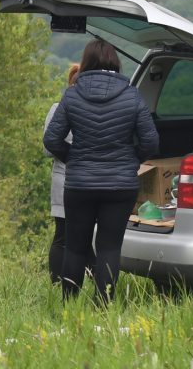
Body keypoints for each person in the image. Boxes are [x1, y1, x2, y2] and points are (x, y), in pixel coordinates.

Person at [44, 39, 158, 304]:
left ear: (86, 62)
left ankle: (69, 306)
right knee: (109, 248)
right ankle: (103, 307)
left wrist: (74, 159)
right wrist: (130, 161)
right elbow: (151, 142)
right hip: (120, 185)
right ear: (114, 63)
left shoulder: (72, 95)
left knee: (74, 246)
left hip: (79, 184)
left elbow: (51, 140)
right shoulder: (131, 95)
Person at [44, 63, 89, 283]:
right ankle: (57, 282)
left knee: (81, 236)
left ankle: (79, 280)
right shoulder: (57, 108)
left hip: (84, 180)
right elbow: (47, 148)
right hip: (65, 180)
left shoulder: (87, 109)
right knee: (63, 235)